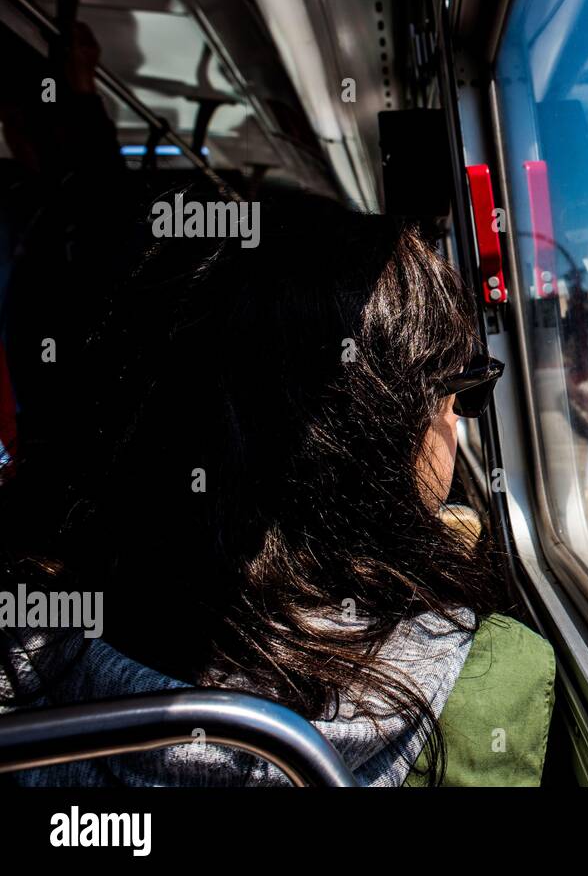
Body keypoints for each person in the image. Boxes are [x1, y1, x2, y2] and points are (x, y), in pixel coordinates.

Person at [0, 188, 553, 786]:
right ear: (373, 430)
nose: (455, 418)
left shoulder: (34, 622)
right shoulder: (489, 680)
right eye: (460, 394)